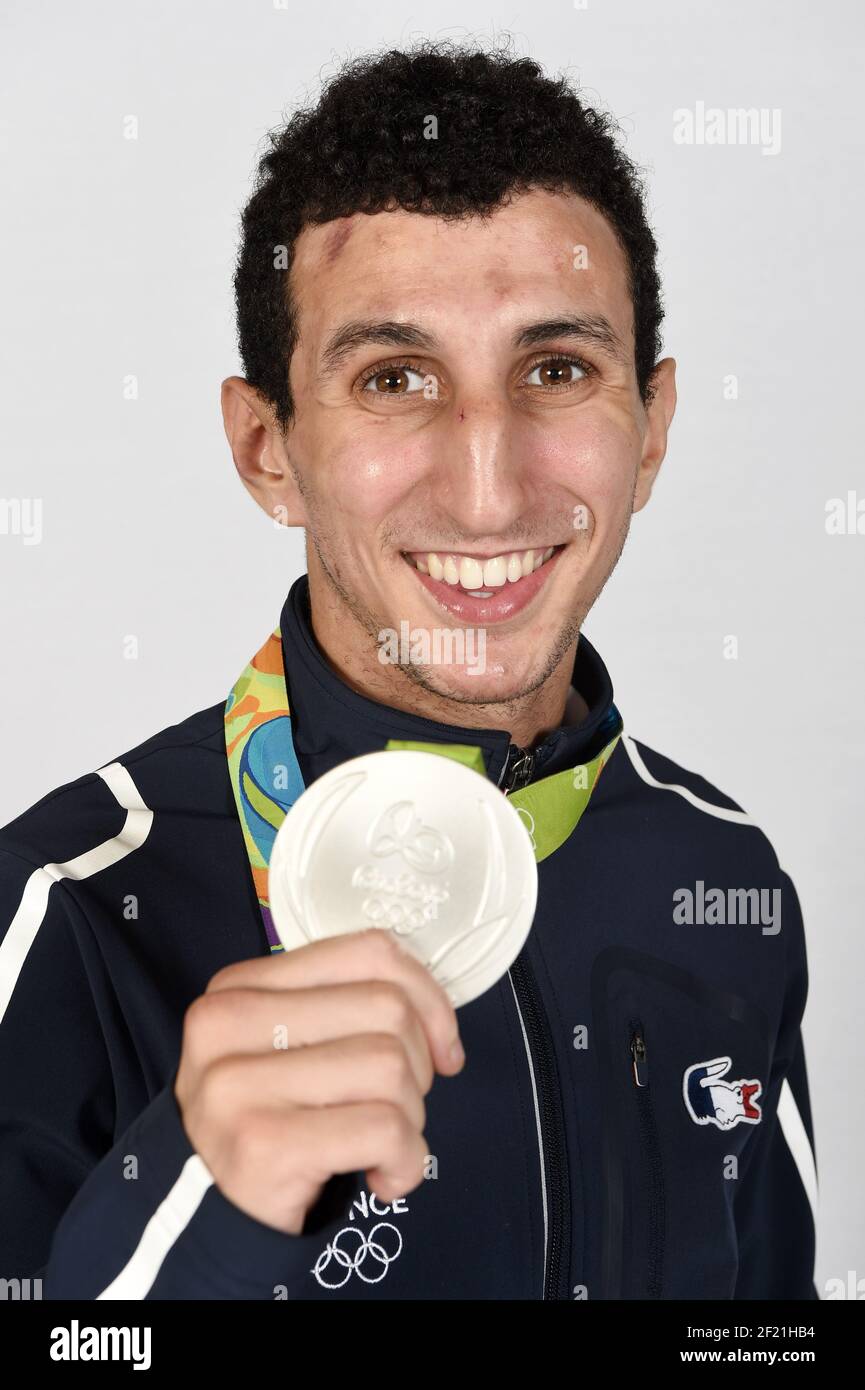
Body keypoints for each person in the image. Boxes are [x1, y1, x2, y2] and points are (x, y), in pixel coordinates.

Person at [0, 41, 817, 1300]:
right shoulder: (58, 906)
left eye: (555, 370)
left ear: (649, 431)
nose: (488, 492)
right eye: (395, 377)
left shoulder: (724, 874)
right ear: (268, 449)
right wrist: (193, 1208)